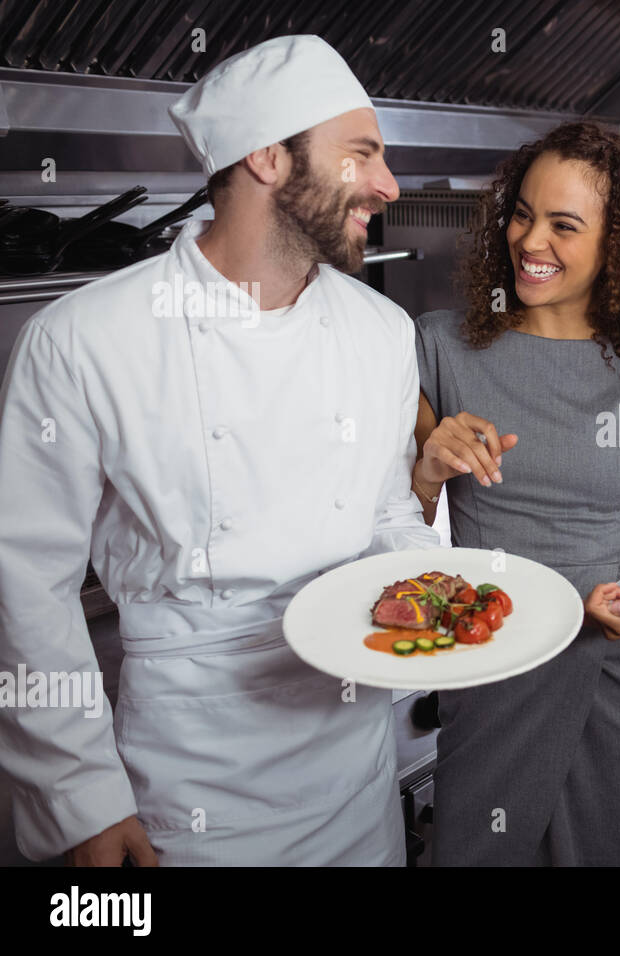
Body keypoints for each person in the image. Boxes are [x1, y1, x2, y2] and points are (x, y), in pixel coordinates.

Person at [0, 35, 436, 865]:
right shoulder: (85, 339)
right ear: (269, 158)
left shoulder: (382, 330)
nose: (388, 185)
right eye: (363, 154)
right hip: (190, 786)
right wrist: (78, 797)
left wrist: (444, 602)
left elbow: (386, 515)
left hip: (355, 763)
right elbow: (23, 586)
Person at [410, 121, 620, 865]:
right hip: (497, 668)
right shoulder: (439, 350)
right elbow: (397, 537)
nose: (530, 241)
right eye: (521, 213)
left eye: (563, 225)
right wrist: (427, 472)